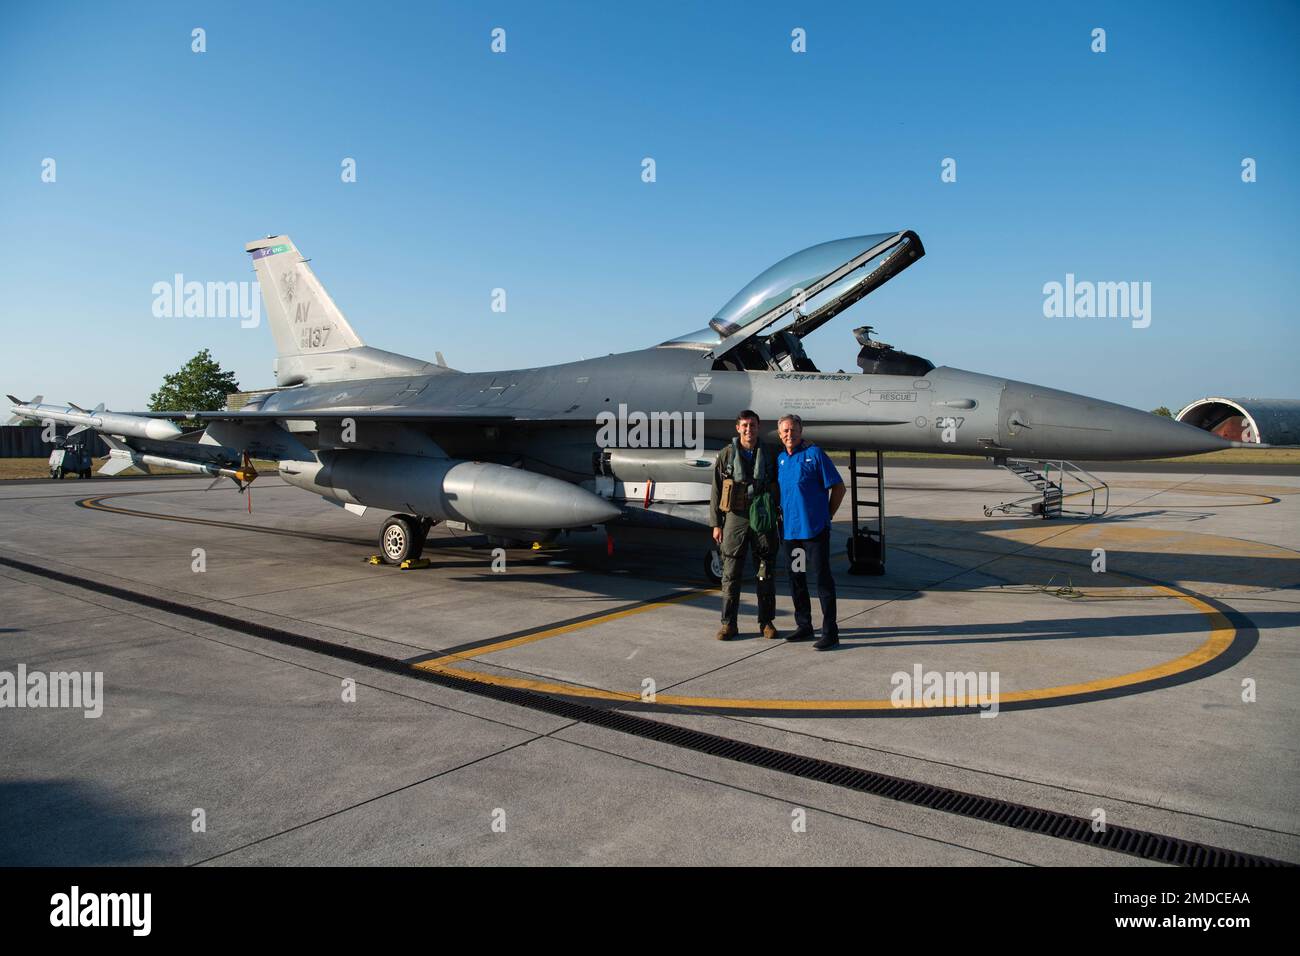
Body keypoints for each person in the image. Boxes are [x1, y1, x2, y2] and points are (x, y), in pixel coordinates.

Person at [709, 410, 781, 641]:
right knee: (730, 573)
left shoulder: (769, 453)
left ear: (758, 427)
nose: (749, 429)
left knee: (765, 572)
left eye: (752, 425)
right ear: (738, 428)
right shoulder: (726, 454)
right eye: (745, 425)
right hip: (735, 517)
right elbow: (716, 490)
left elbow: (779, 484)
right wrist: (716, 524)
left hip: (762, 516)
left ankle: (766, 622)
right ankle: (729, 623)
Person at [776, 414, 846, 650]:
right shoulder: (781, 460)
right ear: (779, 434)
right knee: (797, 579)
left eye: (793, 430)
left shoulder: (815, 455)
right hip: (791, 535)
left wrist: (828, 515)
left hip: (814, 533)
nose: (789, 434)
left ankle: (830, 632)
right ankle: (804, 625)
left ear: (801, 431)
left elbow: (838, 487)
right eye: (785, 431)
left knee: (822, 580)